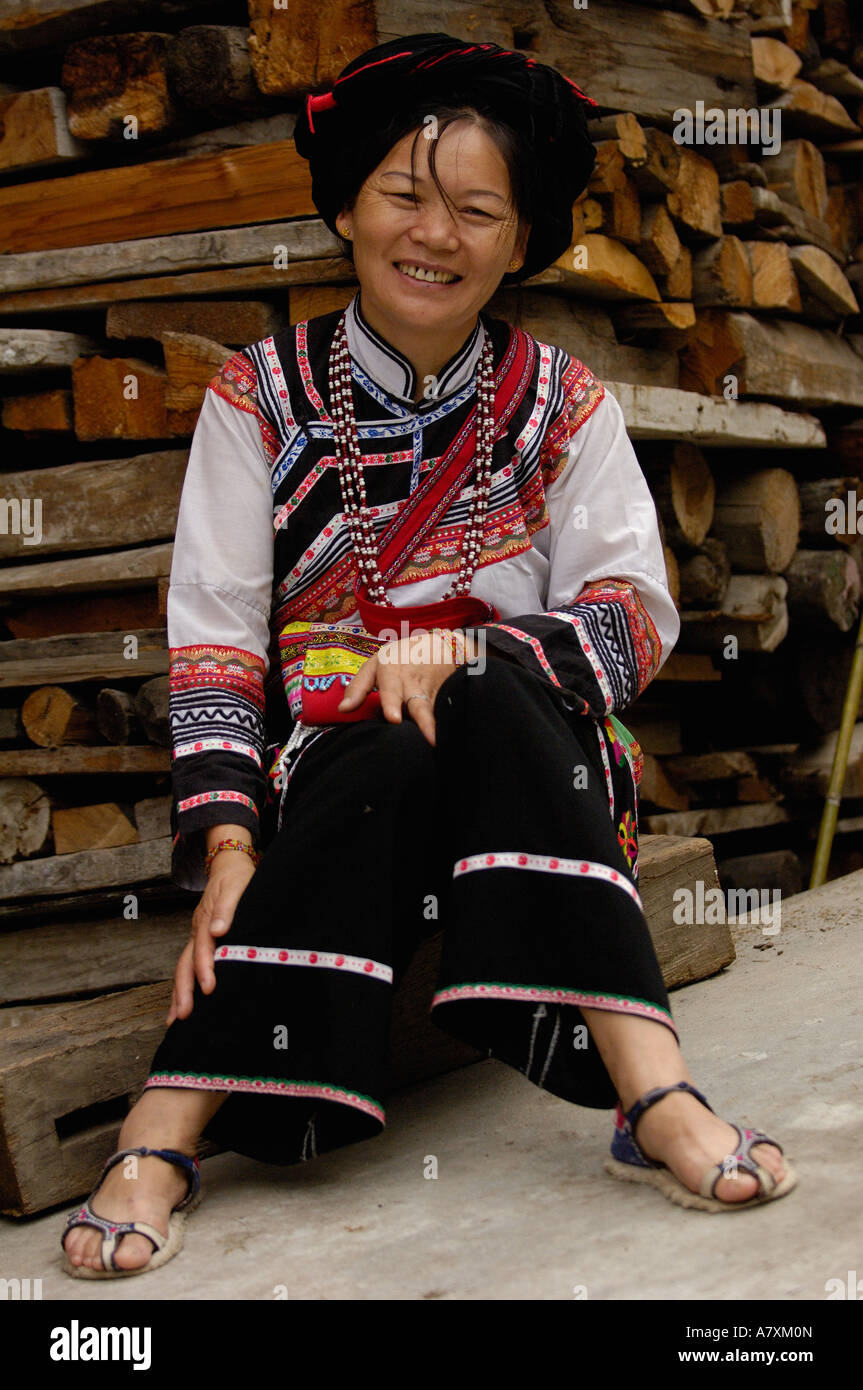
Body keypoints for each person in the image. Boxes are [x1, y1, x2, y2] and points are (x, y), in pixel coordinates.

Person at [61, 32, 795, 1280]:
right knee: (375, 747)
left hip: (538, 760)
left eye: (474, 210)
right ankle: (169, 1120)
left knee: (487, 680)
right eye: (404, 195)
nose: (433, 234)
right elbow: (217, 640)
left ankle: (645, 1082)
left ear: (518, 243)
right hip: (344, 782)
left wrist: (469, 650)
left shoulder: (563, 402)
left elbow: (633, 613)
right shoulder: (261, 398)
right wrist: (232, 846)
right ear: (347, 205)